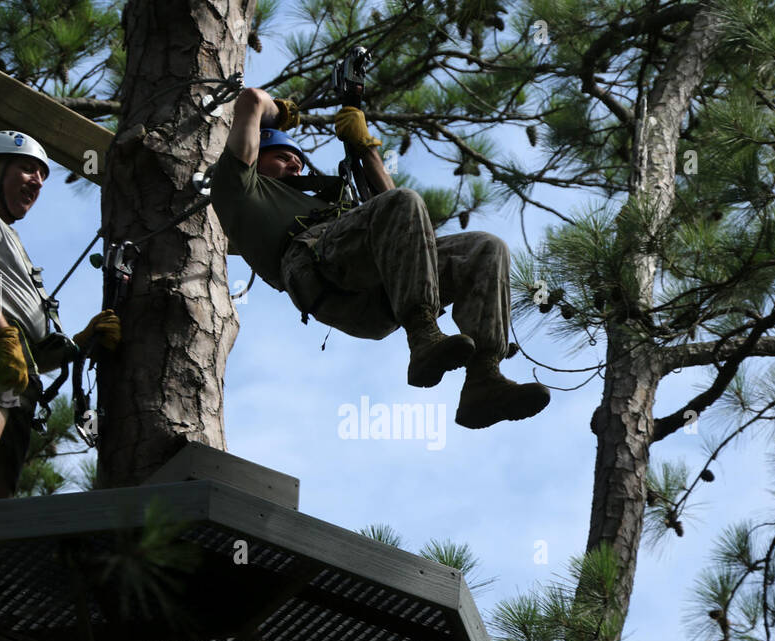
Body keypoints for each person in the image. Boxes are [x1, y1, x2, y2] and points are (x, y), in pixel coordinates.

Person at [209, 88, 550, 429]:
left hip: (379, 295)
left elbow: (411, 230)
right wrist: (279, 113)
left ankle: (484, 381)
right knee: (402, 201)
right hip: (318, 275)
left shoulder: (323, 207)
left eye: (297, 161)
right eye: (282, 158)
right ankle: (423, 336)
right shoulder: (240, 188)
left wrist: (366, 149)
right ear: (258, 155)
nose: (295, 166)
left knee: (485, 248)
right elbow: (252, 99)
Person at [0, 130, 119, 503]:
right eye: (28, 170)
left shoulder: (11, 240)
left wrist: (80, 343)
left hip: (10, 362)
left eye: (42, 175)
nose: (38, 182)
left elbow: (33, 353)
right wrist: (1, 333)